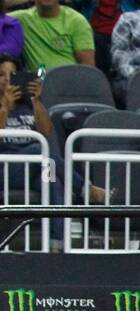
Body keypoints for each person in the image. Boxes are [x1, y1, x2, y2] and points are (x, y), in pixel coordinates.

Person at [0, 55, 110, 204]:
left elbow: (46, 132)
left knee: (52, 180)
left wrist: (36, 100)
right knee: (38, 149)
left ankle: (58, 227)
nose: (7, 79)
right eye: (1, 75)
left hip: (33, 168)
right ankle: (86, 189)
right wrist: (5, 107)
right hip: (6, 170)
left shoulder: (27, 107)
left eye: (11, 74)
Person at [14, 0, 95, 70]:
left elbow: (88, 67)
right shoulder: (22, 19)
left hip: (71, 83)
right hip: (36, 84)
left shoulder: (76, 21)